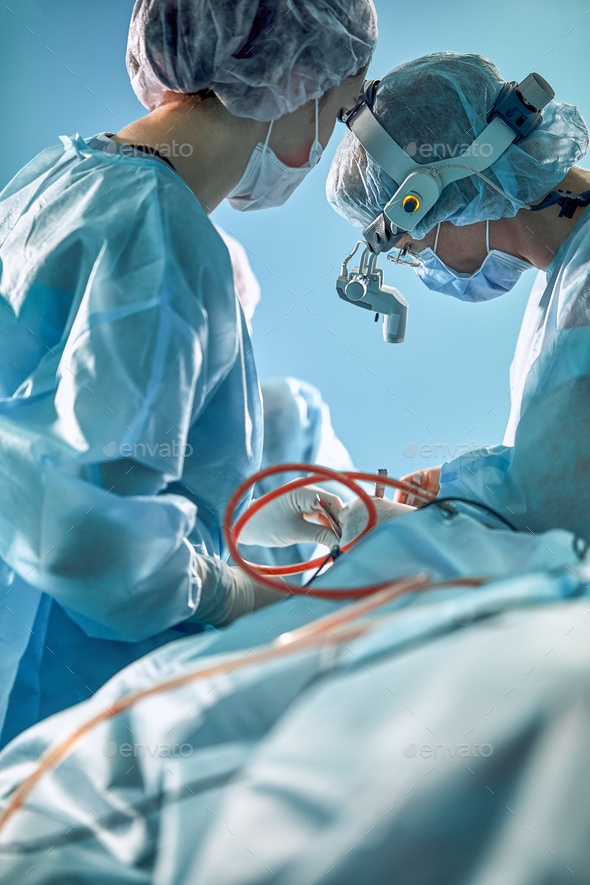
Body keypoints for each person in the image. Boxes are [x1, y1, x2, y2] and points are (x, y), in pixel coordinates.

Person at [0, 0, 377, 747]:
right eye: (332, 117)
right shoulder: (162, 235)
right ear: (294, 79)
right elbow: (82, 530)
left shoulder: (62, 174)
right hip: (65, 686)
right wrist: (224, 590)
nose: (320, 146)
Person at [327, 52, 590, 537]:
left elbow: (561, 509)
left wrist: (440, 512)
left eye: (410, 247)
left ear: (442, 196)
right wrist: (444, 489)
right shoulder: (564, 279)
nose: (423, 265)